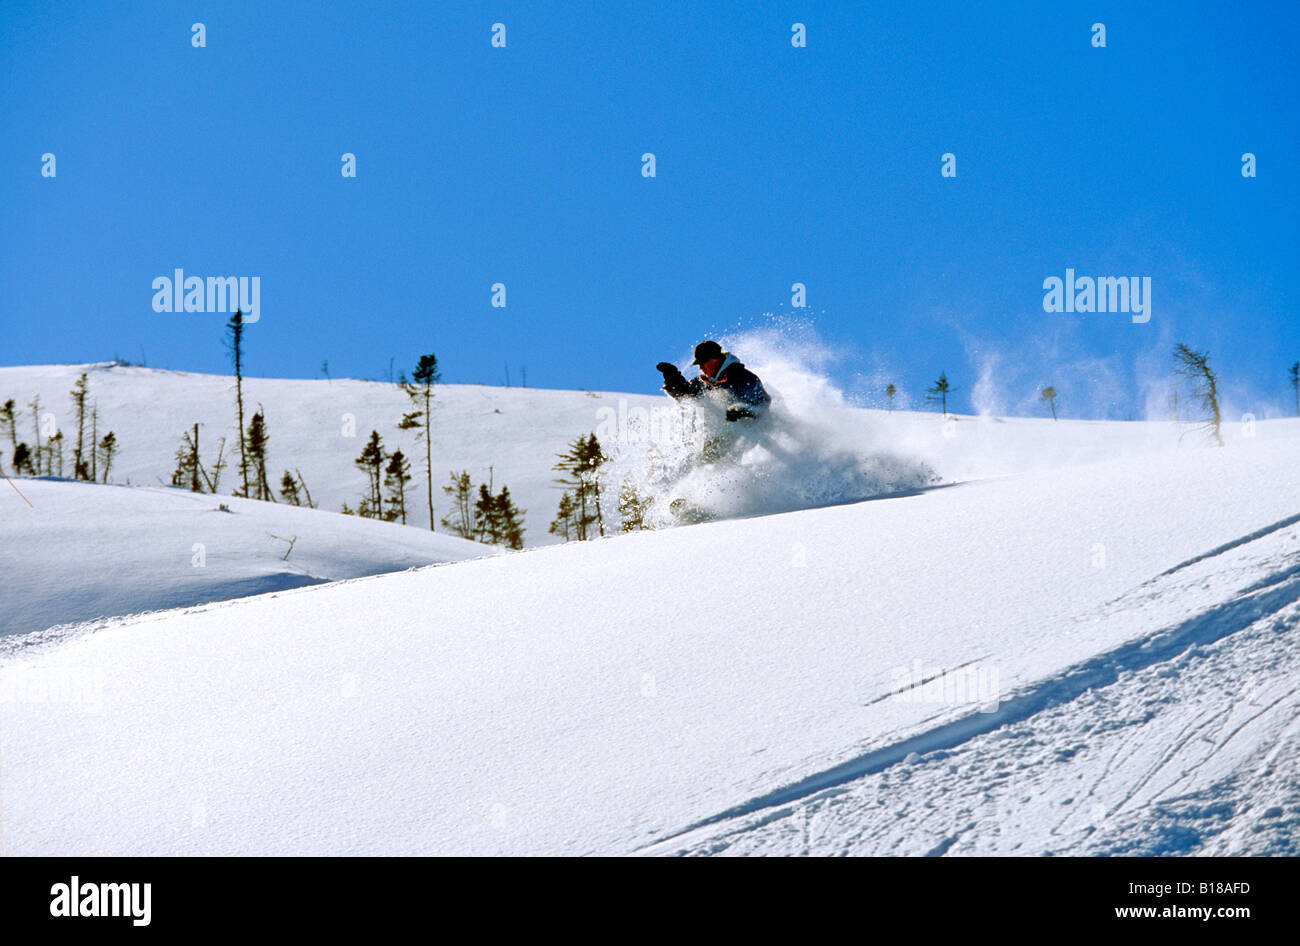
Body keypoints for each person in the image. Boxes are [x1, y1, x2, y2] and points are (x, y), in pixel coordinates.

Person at [656, 340, 770, 421]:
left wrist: (744, 411)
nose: (701, 368)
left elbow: (763, 402)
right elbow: (686, 393)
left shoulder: (741, 377)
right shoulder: (705, 382)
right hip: (728, 428)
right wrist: (672, 380)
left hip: (754, 431)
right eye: (699, 364)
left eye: (703, 362)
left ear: (715, 359)